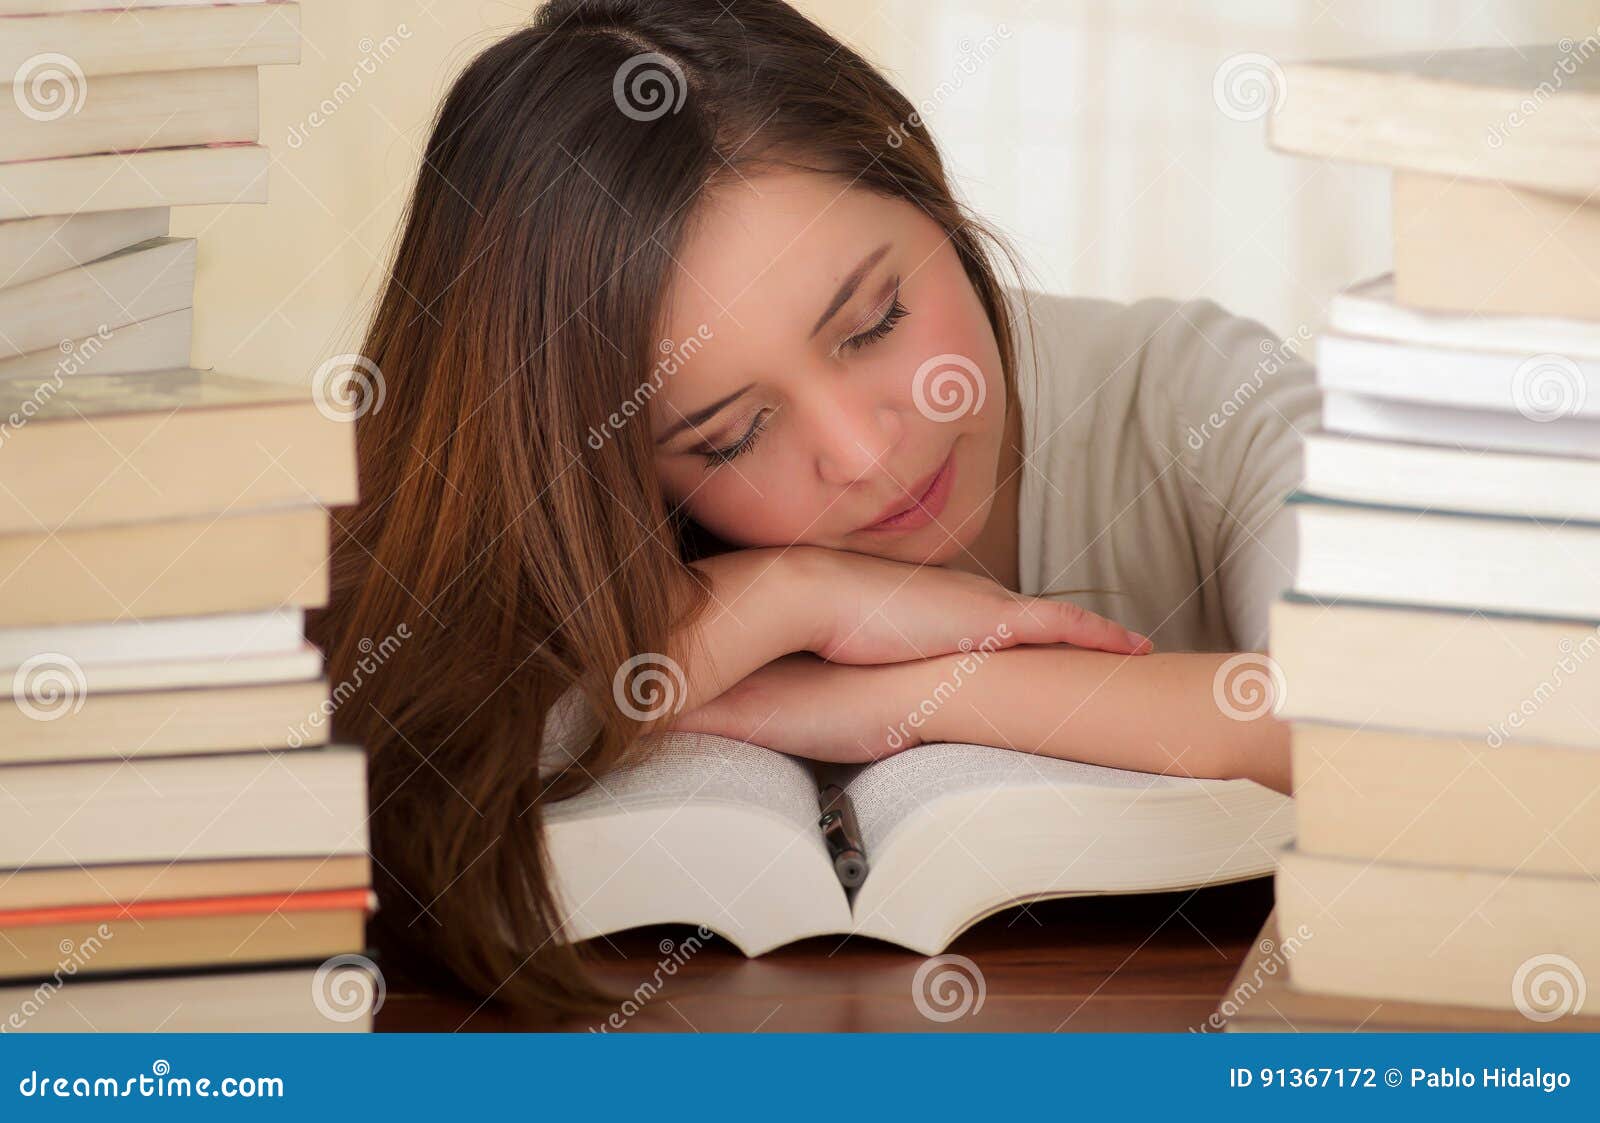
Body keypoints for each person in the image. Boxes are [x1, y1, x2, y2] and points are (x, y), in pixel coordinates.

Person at [308, 0, 1318, 1014]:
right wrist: (787, 597)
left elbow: (1394, 722)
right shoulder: (573, 518)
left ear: (932, 197)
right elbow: (391, 769)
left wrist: (918, 695)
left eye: (874, 321)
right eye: (731, 435)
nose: (861, 450)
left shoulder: (1199, 396)